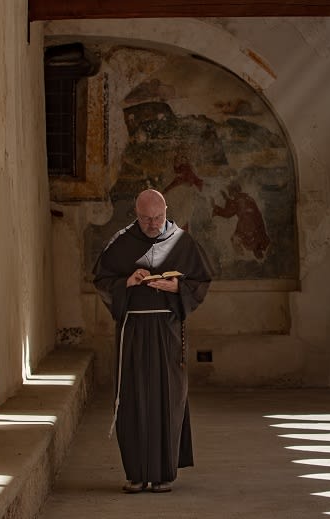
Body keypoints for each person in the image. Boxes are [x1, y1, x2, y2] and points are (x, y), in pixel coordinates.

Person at [93, 189, 212, 494]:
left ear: (165, 211)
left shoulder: (181, 241)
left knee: (167, 398)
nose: (152, 223)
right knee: (133, 398)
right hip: (132, 331)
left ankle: (162, 475)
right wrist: (127, 283)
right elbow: (102, 282)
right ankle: (135, 474)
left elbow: (201, 281)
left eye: (158, 217)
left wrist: (176, 287)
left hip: (167, 331)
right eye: (146, 218)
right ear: (136, 213)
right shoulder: (121, 242)